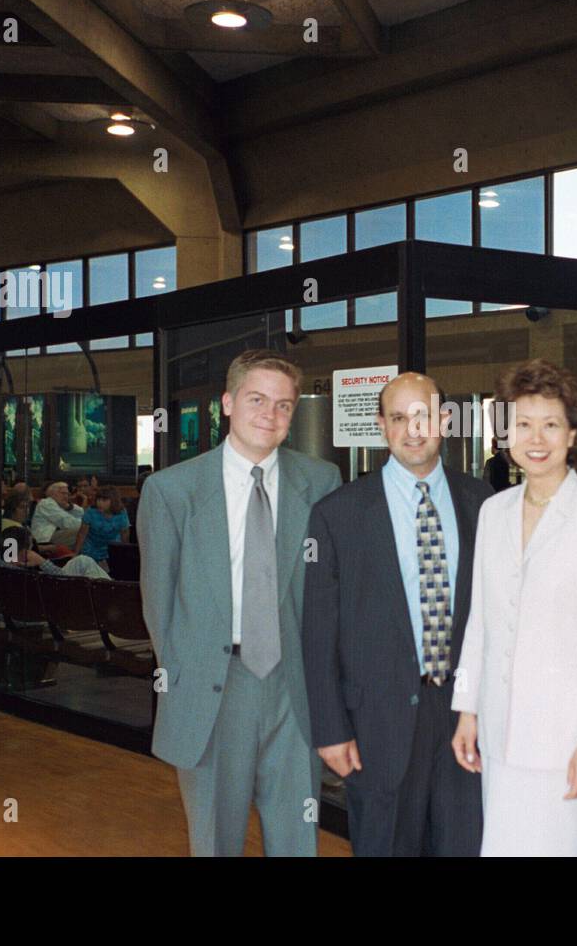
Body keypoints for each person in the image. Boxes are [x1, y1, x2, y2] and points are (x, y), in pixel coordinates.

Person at [138, 348, 341, 857]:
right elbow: (158, 603)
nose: (269, 415)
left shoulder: (321, 483)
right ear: (227, 403)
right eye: (256, 399)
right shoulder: (172, 490)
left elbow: (328, 594)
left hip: (294, 689)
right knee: (215, 842)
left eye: (283, 405)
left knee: (297, 838)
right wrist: (182, 676)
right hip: (214, 686)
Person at [303, 372, 492, 856]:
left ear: (445, 422)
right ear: (382, 427)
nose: (413, 429)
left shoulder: (485, 505)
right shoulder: (337, 514)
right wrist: (330, 730)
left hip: (467, 720)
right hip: (376, 724)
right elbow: (319, 632)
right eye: (399, 417)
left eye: (424, 415)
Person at [451, 359, 577, 856]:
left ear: (573, 435)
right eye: (522, 424)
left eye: (550, 424)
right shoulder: (494, 511)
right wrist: (466, 710)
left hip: (565, 739)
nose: (535, 437)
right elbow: (480, 620)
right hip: (499, 729)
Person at [0, 525, 109, 579]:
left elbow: (9, 560)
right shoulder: (28, 576)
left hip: (4, 613)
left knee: (81, 561)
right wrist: (41, 562)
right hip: (39, 612)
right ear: (25, 551)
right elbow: (64, 581)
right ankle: (115, 595)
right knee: (84, 561)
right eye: (31, 546)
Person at [73, 485, 130, 571]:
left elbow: (125, 534)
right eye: (98, 500)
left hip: (112, 547)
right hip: (91, 547)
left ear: (113, 501)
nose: (99, 503)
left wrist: (125, 555)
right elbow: (82, 534)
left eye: (104, 500)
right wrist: (75, 554)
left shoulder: (121, 513)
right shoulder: (91, 512)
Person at [31, 481, 85, 546]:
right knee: (83, 532)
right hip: (46, 539)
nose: (66, 496)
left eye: (67, 494)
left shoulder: (61, 505)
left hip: (58, 534)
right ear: (52, 494)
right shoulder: (46, 503)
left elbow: (82, 513)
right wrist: (87, 525)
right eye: (63, 493)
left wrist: (69, 507)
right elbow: (67, 522)